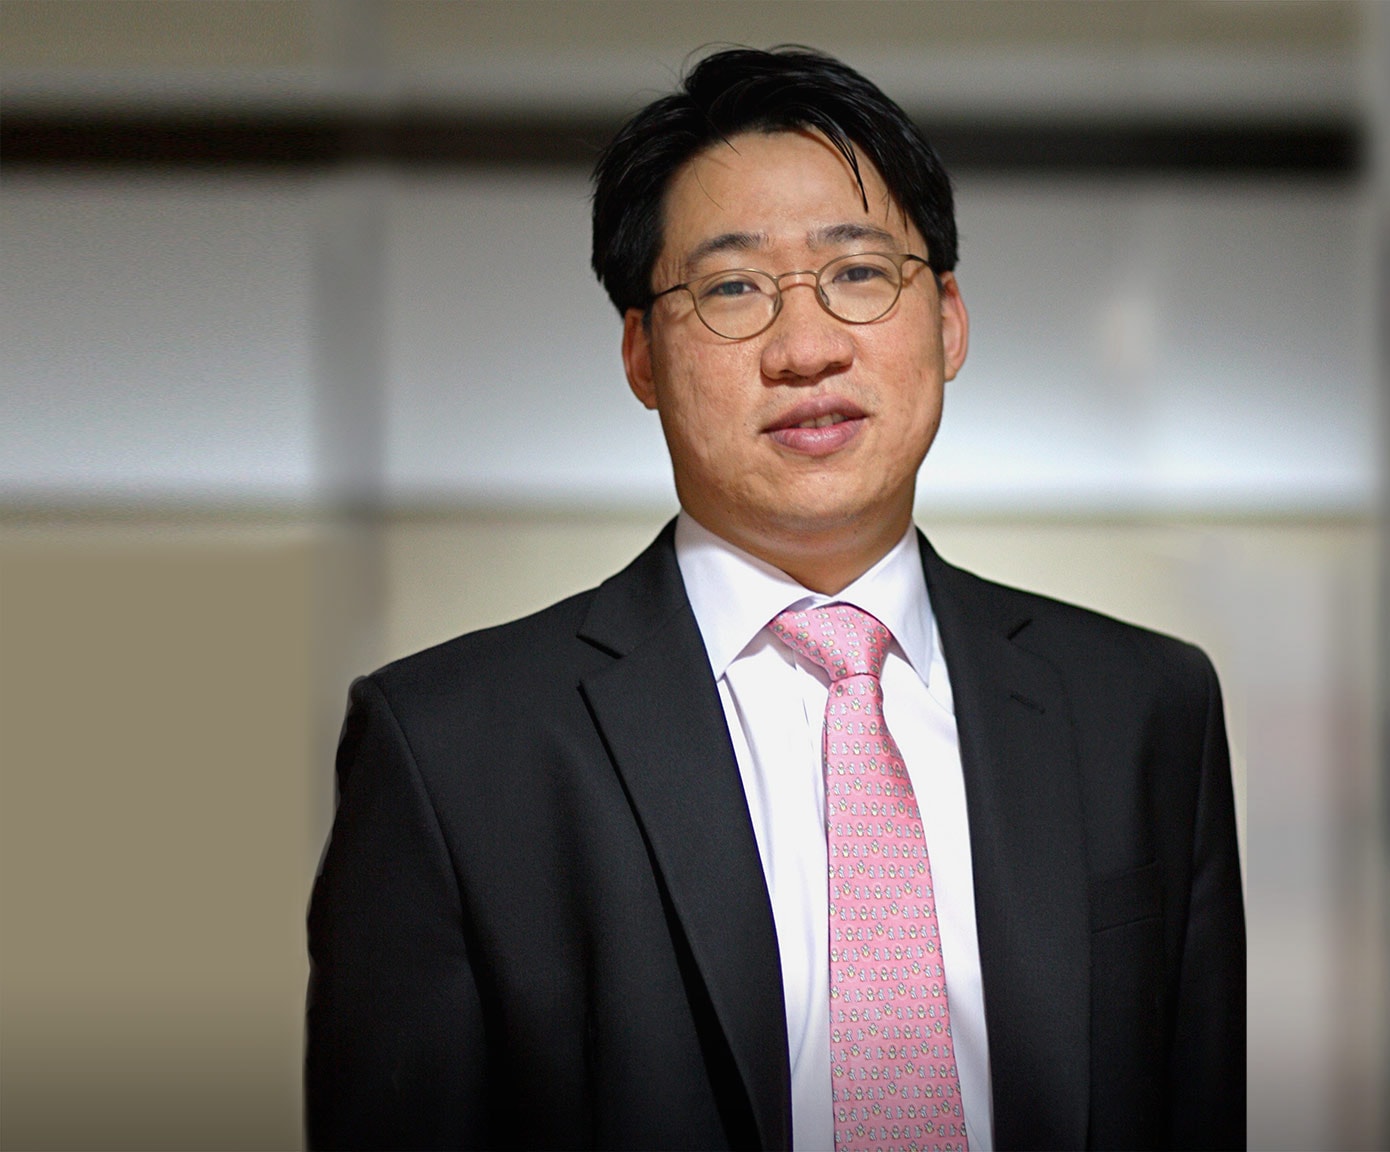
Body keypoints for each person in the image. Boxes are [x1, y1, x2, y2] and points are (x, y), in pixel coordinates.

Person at [305, 46, 1245, 1151]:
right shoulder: (451, 749)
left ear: (947, 320)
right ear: (642, 354)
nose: (806, 350)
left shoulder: (1142, 708)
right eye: (732, 289)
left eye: (859, 274)